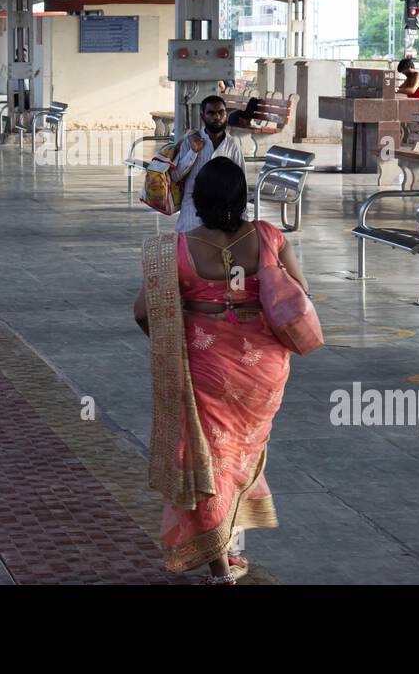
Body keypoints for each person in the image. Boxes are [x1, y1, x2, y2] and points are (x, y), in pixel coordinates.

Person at [132, 156, 307, 584]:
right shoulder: (268, 236)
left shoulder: (176, 248)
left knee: (208, 460)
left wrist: (174, 344)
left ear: (198, 198)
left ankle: (220, 567)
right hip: (263, 370)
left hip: (206, 366)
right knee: (239, 454)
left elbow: (142, 312)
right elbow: (300, 294)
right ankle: (224, 547)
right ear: (241, 194)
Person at [171, 96, 247, 233]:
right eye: (211, 113)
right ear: (202, 116)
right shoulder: (190, 141)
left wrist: (243, 218)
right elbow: (176, 176)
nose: (217, 117)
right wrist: (193, 152)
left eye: (221, 112)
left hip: (222, 213)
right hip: (192, 214)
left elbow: (241, 184)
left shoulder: (232, 144)